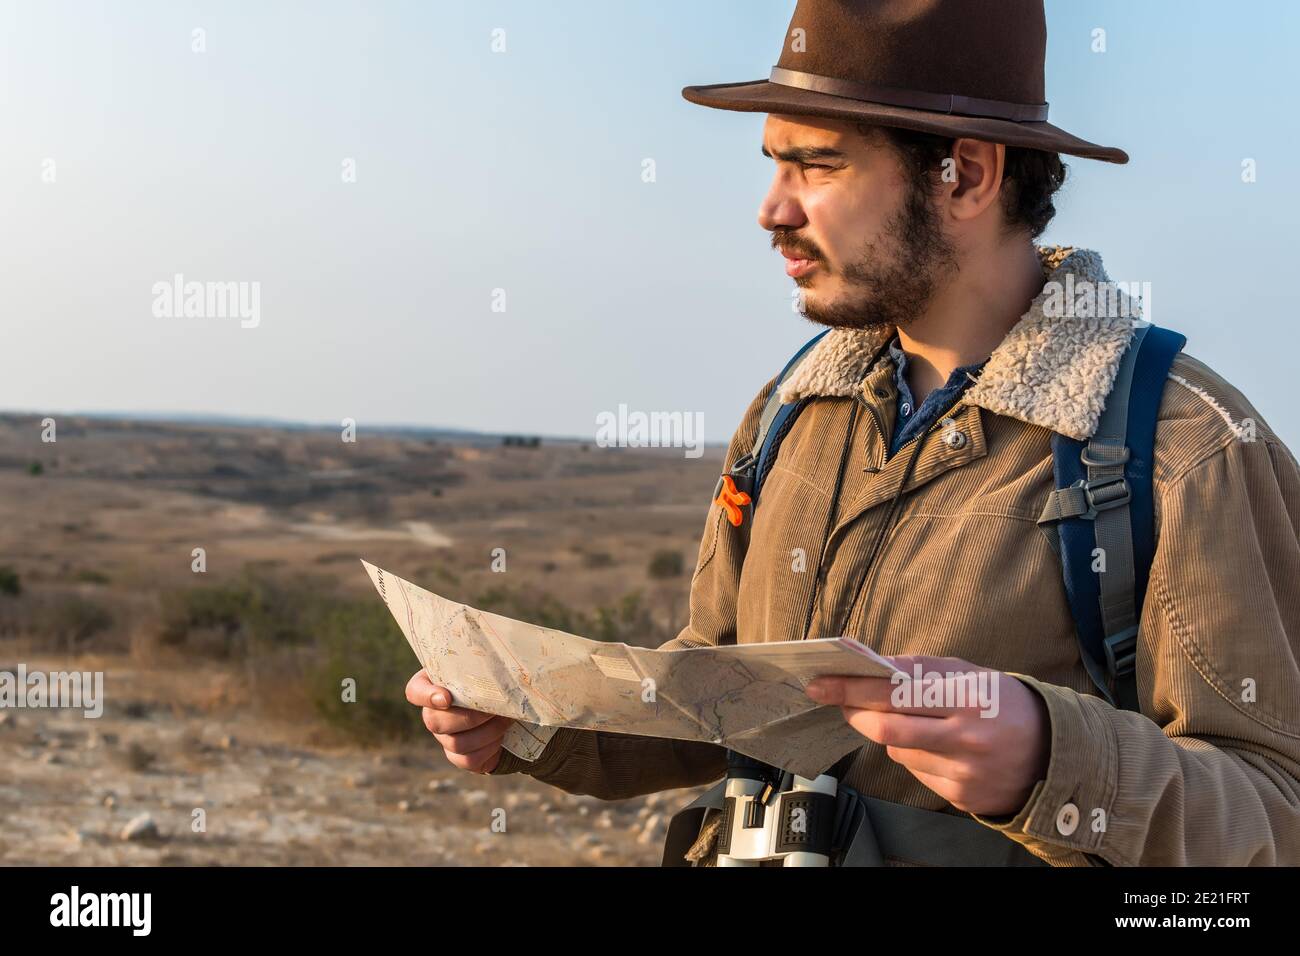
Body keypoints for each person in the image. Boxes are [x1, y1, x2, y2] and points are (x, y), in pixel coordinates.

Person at [405, 0, 1300, 866]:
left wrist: (1049, 761)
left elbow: (1275, 808)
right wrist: (524, 712)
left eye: (818, 166)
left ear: (969, 175)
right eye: (773, 164)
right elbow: (716, 690)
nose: (772, 209)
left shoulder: (1188, 448)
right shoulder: (794, 410)